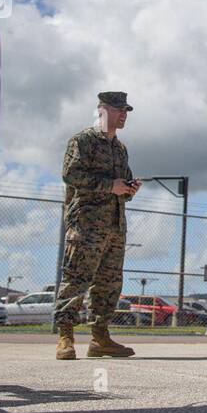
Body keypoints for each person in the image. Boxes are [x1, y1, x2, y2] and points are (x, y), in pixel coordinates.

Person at [52, 91, 142, 360]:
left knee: (109, 282)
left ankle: (100, 337)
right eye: (118, 109)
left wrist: (128, 189)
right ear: (102, 110)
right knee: (76, 278)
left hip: (114, 226)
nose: (123, 114)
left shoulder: (120, 149)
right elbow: (71, 175)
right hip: (86, 225)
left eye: (126, 110)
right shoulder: (83, 141)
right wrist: (109, 186)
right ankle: (65, 337)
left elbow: (121, 184)